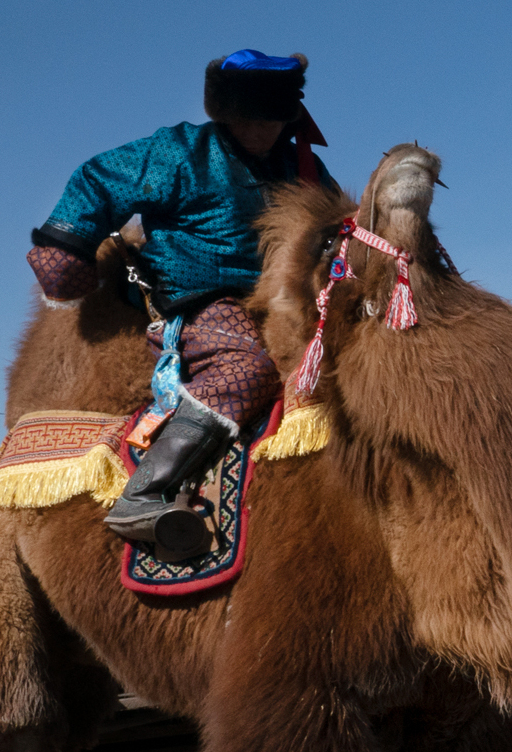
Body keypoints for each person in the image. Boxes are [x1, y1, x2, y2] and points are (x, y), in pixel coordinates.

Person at [25, 51, 334, 557]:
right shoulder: (179, 153)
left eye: (274, 118)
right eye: (252, 118)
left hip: (284, 298)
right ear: (227, 114)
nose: (263, 130)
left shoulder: (303, 168)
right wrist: (67, 242)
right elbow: (97, 177)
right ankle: (143, 495)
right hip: (197, 296)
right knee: (246, 369)